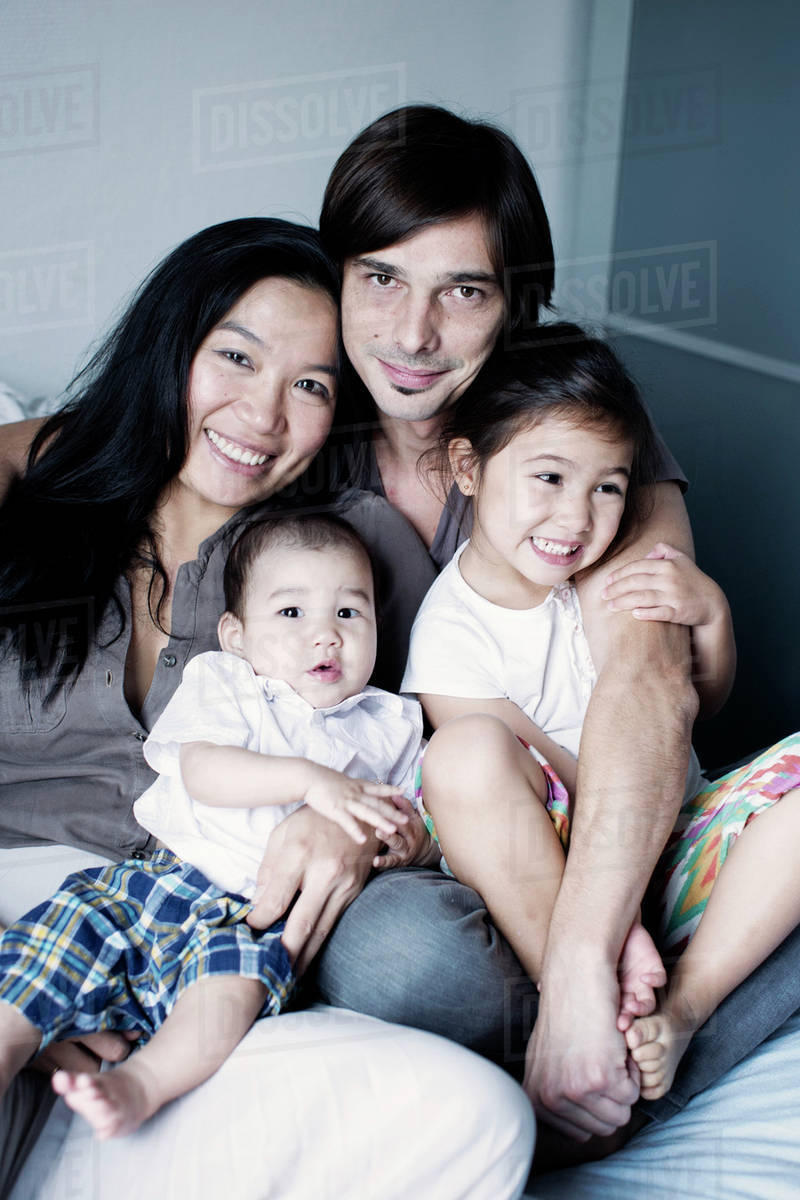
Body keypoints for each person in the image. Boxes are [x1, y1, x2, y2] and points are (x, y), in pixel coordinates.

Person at [3, 217, 516, 1194]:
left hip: (185, 949)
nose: (262, 414)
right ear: (170, 349)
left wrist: (358, 834)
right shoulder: (44, 491)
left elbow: (435, 770)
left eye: (311, 385)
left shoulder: (341, 551)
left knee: (476, 1117)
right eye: (233, 357)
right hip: (20, 918)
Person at [399, 326, 800, 1111]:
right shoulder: (449, 636)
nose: (576, 519)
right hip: (552, 876)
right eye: (548, 477)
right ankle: (578, 994)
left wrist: (709, 616)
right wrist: (611, 923)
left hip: (676, 841)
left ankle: (683, 1009)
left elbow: (699, 707)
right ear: (468, 468)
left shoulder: (609, 574)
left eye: (608, 488)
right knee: (465, 758)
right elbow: (551, 784)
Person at [0, 514, 432, 1141]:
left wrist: (411, 840)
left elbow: (412, 810)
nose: (325, 638)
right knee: (62, 939)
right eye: (291, 614)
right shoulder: (229, 683)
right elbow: (203, 770)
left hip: (256, 918)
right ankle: (10, 1045)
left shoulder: (388, 723)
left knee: (233, 993)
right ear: (235, 634)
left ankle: (140, 1085)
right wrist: (311, 781)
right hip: (161, 882)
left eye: (348, 614)